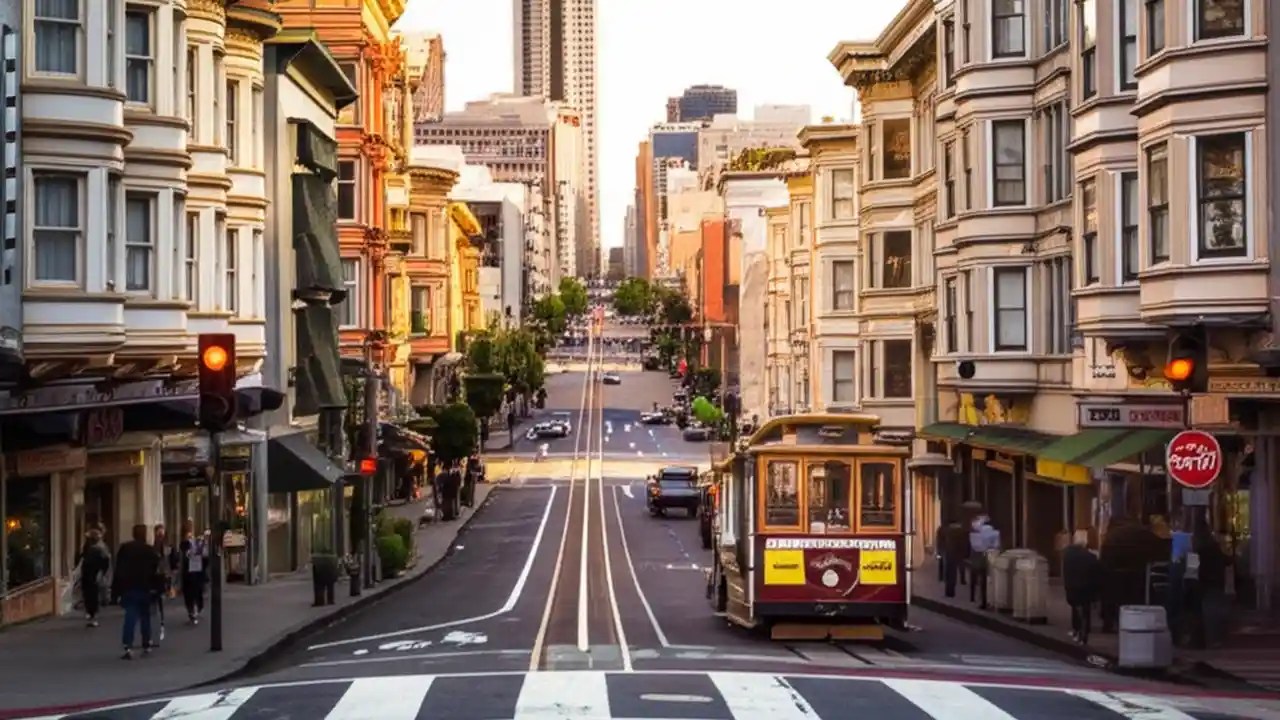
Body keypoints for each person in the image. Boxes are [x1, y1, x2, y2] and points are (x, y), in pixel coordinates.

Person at [112, 524, 159, 659]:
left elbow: (118, 570)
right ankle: (146, 644)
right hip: (146, 587)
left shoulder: (125, 549)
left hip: (129, 587)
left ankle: (128, 646)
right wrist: (156, 588)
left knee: (130, 616)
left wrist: (115, 592)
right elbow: (156, 571)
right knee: (145, 616)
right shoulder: (150, 551)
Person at [1062, 532, 1102, 644]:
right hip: (1086, 587)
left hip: (1072, 586)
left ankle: (1076, 630)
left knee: (1075, 609)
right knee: (1085, 610)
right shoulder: (1091, 556)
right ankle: (1084, 633)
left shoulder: (1068, 555)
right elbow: (1096, 573)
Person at [77, 527, 111, 628]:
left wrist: (101, 573)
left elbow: (104, 562)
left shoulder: (97, 548)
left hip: (92, 574)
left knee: (92, 596)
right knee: (90, 595)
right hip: (91, 574)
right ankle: (92, 614)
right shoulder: (96, 548)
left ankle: (92, 615)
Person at [151, 523, 177, 644]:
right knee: (157, 599)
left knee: (160, 599)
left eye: (162, 534)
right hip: (157, 577)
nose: (160, 536)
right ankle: (159, 620)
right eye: (158, 534)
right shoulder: (153, 548)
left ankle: (160, 619)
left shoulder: (168, 547)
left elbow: (173, 561)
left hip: (164, 575)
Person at [179, 520, 208, 624]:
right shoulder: (190, 542)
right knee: (195, 592)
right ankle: (195, 610)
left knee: (190, 593)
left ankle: (192, 610)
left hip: (189, 572)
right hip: (194, 571)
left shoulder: (184, 543)